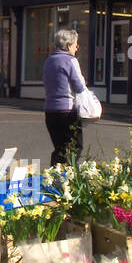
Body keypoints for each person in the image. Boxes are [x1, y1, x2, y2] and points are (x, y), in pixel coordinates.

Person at [42, 28, 89, 167]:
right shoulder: (70, 60)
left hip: (50, 111)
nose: (77, 48)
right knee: (74, 147)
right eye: (76, 45)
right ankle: (65, 181)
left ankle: (53, 178)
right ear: (69, 46)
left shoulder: (48, 60)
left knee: (59, 148)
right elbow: (79, 86)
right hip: (67, 111)